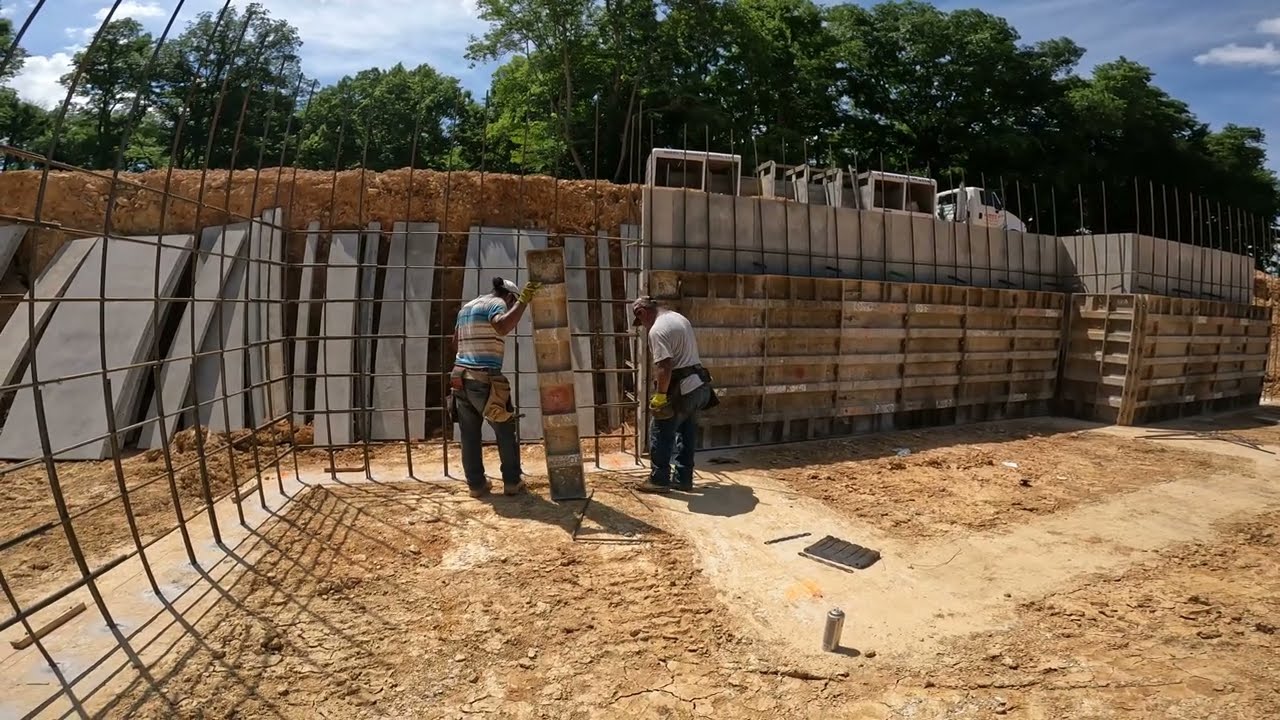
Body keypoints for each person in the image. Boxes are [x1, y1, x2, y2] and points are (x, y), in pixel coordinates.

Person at [451, 276, 540, 498]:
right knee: (505, 428)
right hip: (484, 378)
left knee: (469, 434)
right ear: (510, 296)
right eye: (513, 303)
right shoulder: (498, 303)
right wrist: (523, 303)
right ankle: (511, 481)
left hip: (459, 376)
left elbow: (455, 342)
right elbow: (502, 326)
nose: (511, 308)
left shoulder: (467, 307)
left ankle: (476, 485)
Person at [631, 296, 716, 493]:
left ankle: (659, 480)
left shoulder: (657, 329)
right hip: (699, 386)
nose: (643, 326)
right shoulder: (679, 318)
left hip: (682, 388)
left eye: (640, 321)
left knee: (660, 431)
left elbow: (664, 365)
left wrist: (660, 396)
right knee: (687, 432)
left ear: (642, 312)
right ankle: (683, 479)